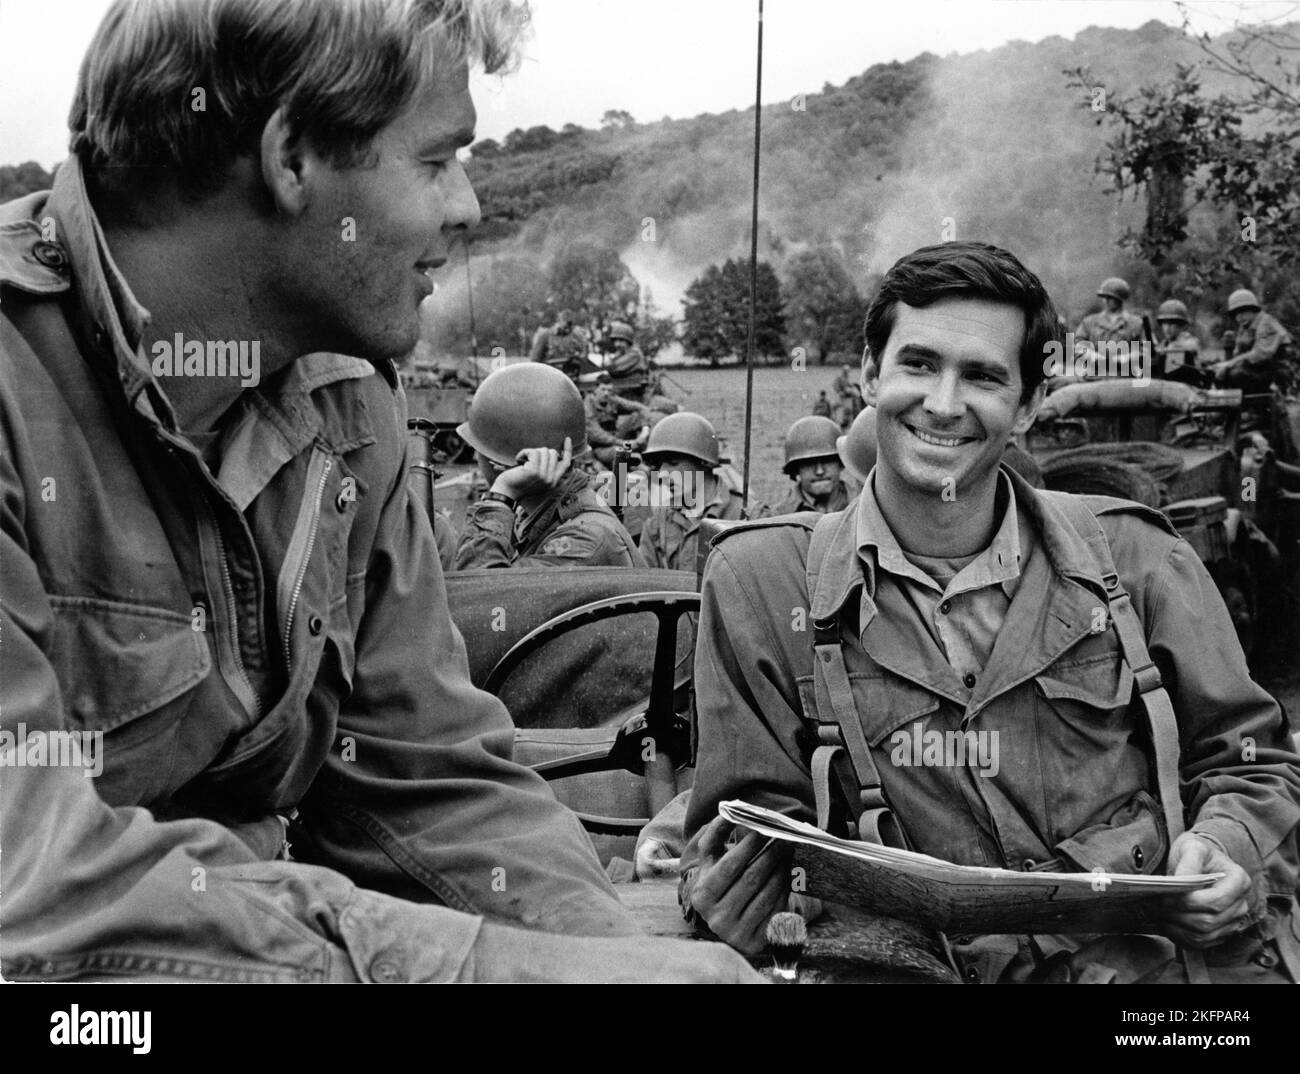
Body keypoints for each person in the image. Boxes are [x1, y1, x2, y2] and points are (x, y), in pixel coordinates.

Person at [0, 0, 756, 985]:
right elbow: (31, 891)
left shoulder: (350, 402)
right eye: (437, 159)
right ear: (291, 157)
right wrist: (526, 974)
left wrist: (610, 954)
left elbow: (427, 776)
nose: (468, 206)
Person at [677, 241, 1300, 983]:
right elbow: (746, 826)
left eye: (982, 375)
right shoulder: (763, 584)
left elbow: (1251, 761)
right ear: (871, 373)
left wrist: (1226, 843)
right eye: (918, 364)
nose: (943, 404)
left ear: (1029, 403)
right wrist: (736, 892)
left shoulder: (1138, 560)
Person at [453, 364, 642, 569]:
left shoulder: (585, 541)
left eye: (479, 448)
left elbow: (478, 586)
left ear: (499, 463)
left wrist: (500, 494)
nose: (475, 456)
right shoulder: (537, 511)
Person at [638, 412, 745, 572]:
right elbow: (644, 582)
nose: (661, 474)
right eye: (659, 466)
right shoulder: (657, 523)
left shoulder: (746, 515)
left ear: (703, 462)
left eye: (673, 463)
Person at [758, 416, 854, 516]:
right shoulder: (779, 516)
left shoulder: (861, 506)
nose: (819, 471)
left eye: (827, 460)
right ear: (796, 469)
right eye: (809, 463)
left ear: (841, 463)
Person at [1213, 289, 1295, 393]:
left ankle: (1259, 402)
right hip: (1259, 370)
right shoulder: (1246, 326)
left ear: (1253, 309)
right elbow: (1238, 353)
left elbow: (1261, 354)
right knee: (1223, 373)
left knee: (1237, 374)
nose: (1239, 317)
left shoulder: (1266, 323)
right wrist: (1224, 366)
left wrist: (1230, 364)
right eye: (1236, 314)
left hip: (1277, 373)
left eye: (1243, 312)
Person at [583, 372, 650, 468]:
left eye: (609, 390)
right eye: (603, 389)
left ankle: (644, 451)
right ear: (595, 389)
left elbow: (637, 407)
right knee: (620, 452)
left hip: (615, 437)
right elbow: (599, 436)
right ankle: (626, 468)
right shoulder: (587, 407)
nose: (606, 393)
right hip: (600, 447)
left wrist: (645, 430)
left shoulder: (611, 399)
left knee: (635, 416)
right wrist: (625, 443)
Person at [529, 308, 589, 380]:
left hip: (571, 377)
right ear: (559, 321)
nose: (568, 328)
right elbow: (535, 359)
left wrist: (578, 357)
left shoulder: (577, 336)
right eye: (565, 324)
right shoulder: (547, 335)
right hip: (551, 376)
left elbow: (584, 356)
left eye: (570, 325)